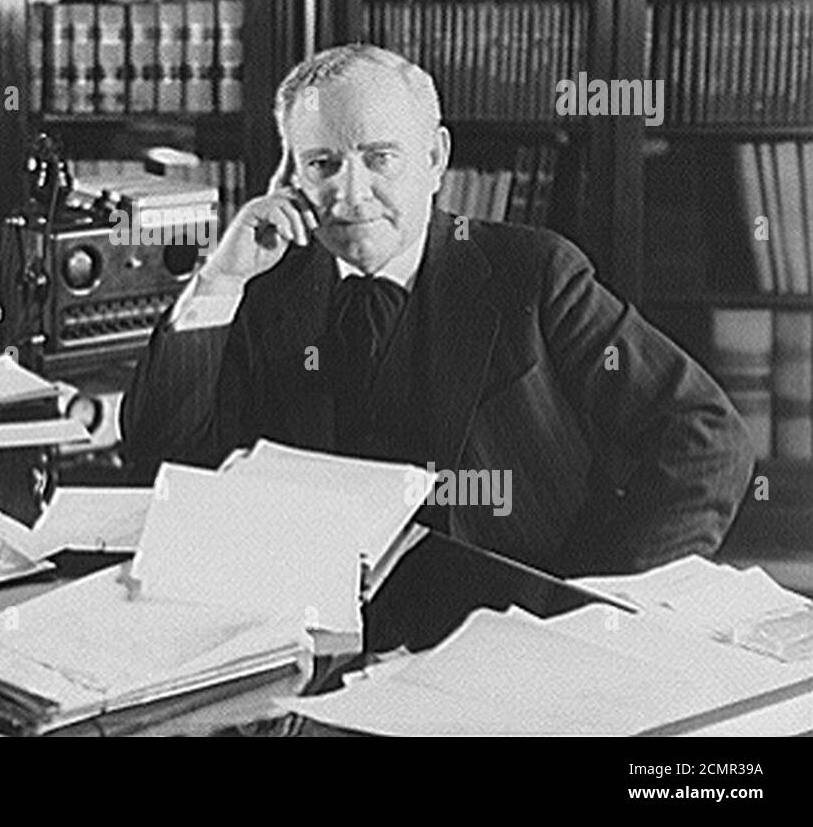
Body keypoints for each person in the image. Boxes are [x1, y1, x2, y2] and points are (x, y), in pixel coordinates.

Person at [120, 45, 754, 576]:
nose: (351, 192)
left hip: (510, 631)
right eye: (323, 164)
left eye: (379, 157)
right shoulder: (260, 286)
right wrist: (220, 278)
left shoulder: (534, 274)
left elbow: (704, 438)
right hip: (315, 637)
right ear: (289, 176)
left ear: (434, 160)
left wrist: (600, 594)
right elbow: (159, 458)